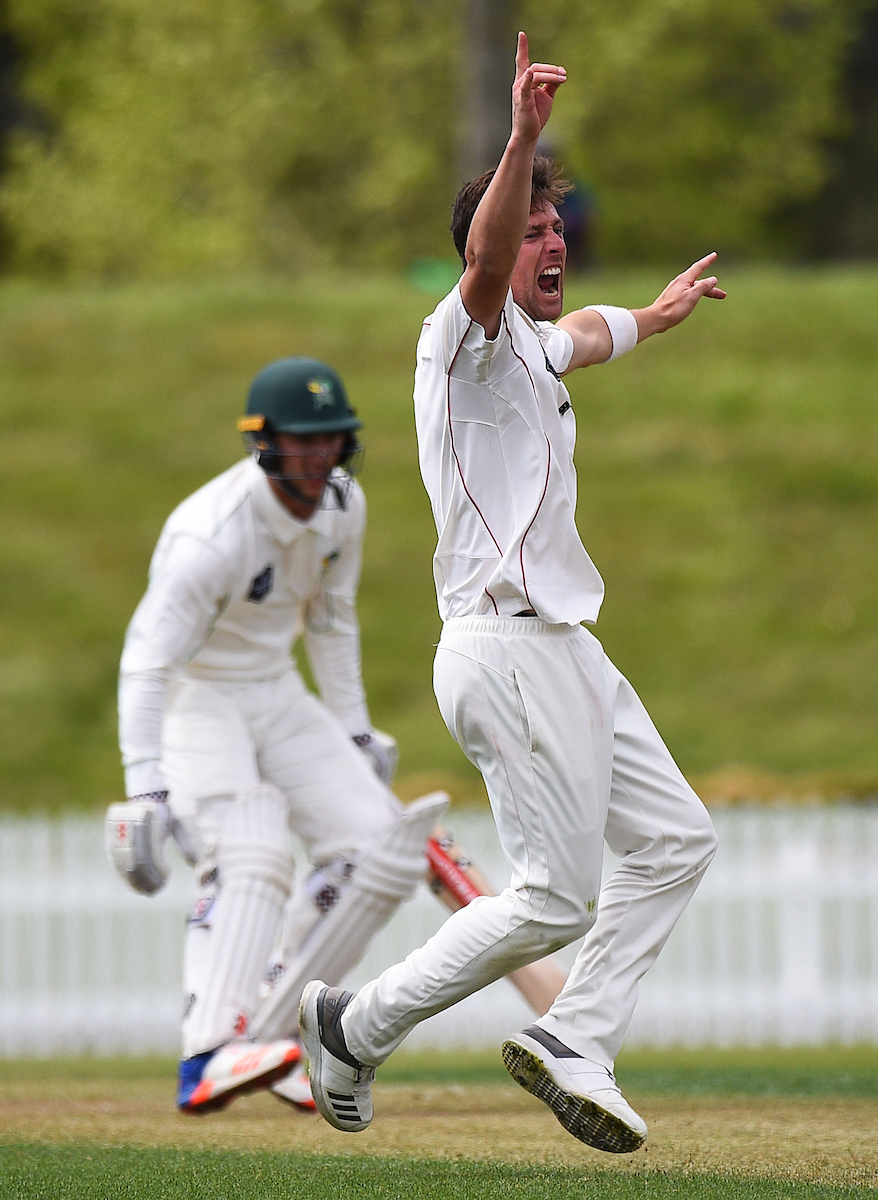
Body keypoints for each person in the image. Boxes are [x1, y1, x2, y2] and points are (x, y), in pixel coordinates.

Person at [299, 33, 723, 1153]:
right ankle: (351, 1028)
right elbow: (487, 265)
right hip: (499, 644)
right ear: (485, 249)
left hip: (566, 645)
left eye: (556, 228)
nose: (551, 242)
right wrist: (522, 137)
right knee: (551, 898)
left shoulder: (532, 349)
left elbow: (583, 335)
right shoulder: (463, 339)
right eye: (532, 229)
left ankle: (574, 1036)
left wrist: (655, 316)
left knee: (677, 840)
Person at [111, 356, 447, 1113]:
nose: (319, 455)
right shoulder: (210, 537)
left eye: (331, 438)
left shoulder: (344, 507)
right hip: (199, 696)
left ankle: (271, 1032)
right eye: (303, 440)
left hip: (275, 688)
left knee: (379, 849)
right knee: (251, 849)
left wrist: (354, 733)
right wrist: (146, 785)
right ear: (263, 441)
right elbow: (148, 661)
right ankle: (207, 1054)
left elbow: (331, 619)